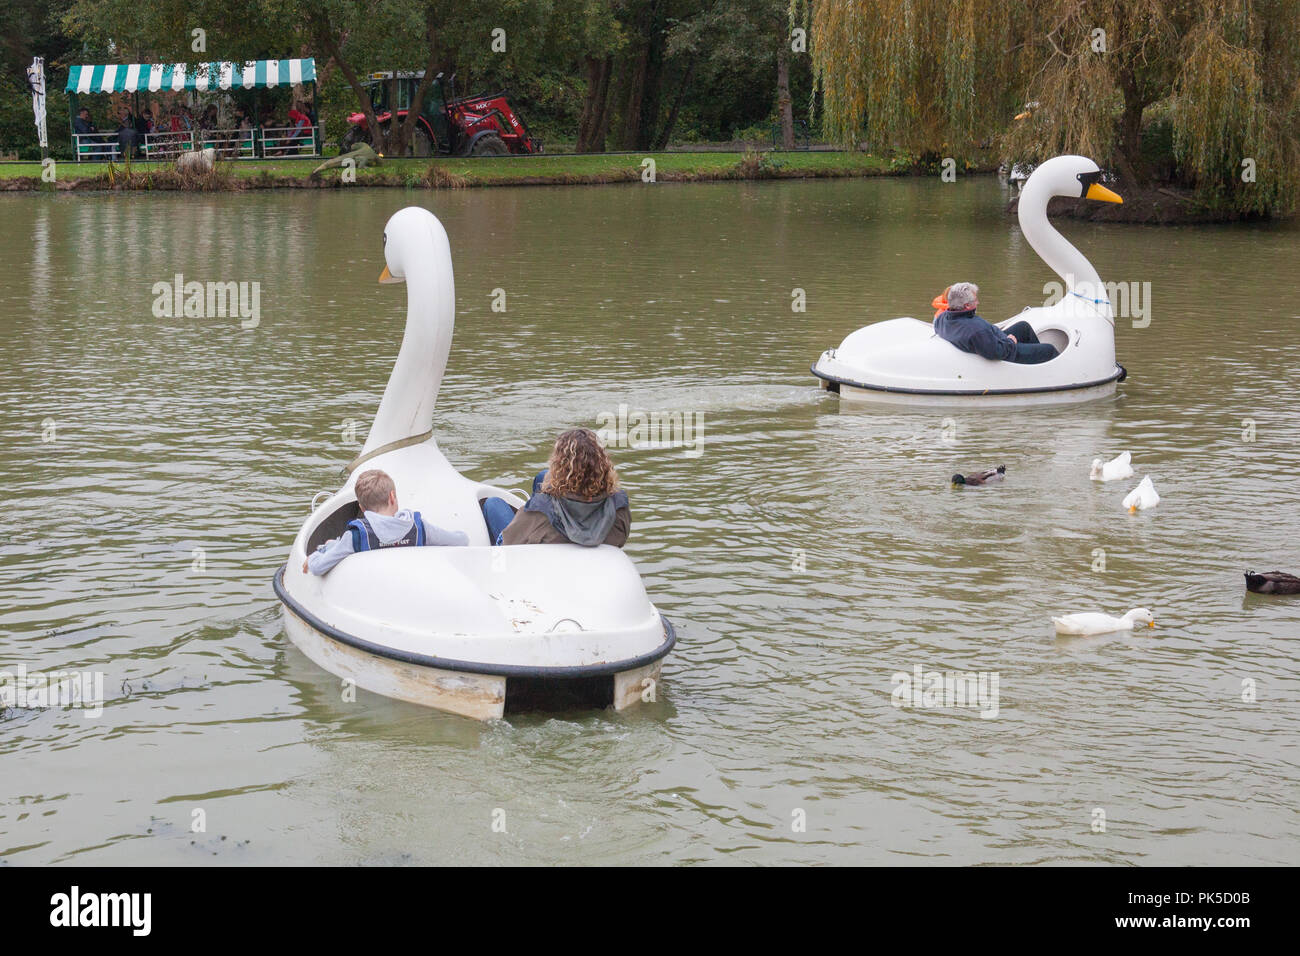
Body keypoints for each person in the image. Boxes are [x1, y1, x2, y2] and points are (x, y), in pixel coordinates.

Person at [482, 428, 631, 547]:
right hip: (587, 550)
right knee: (543, 476)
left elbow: (509, 543)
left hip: (547, 553)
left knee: (492, 503)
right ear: (603, 464)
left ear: (559, 465)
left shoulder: (541, 508)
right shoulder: (619, 503)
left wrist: (539, 501)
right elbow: (620, 540)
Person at [303, 468, 467, 575]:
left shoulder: (356, 537)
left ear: (362, 507)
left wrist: (319, 552)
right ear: (392, 497)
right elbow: (461, 540)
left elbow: (318, 567)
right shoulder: (419, 528)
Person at [932, 281, 1058, 365]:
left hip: (991, 341)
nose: (978, 302)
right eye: (976, 300)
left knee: (1023, 327)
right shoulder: (976, 330)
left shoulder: (942, 318)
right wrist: (1010, 342)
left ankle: (1032, 366)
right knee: (1048, 350)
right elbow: (997, 352)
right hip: (1005, 351)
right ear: (967, 306)